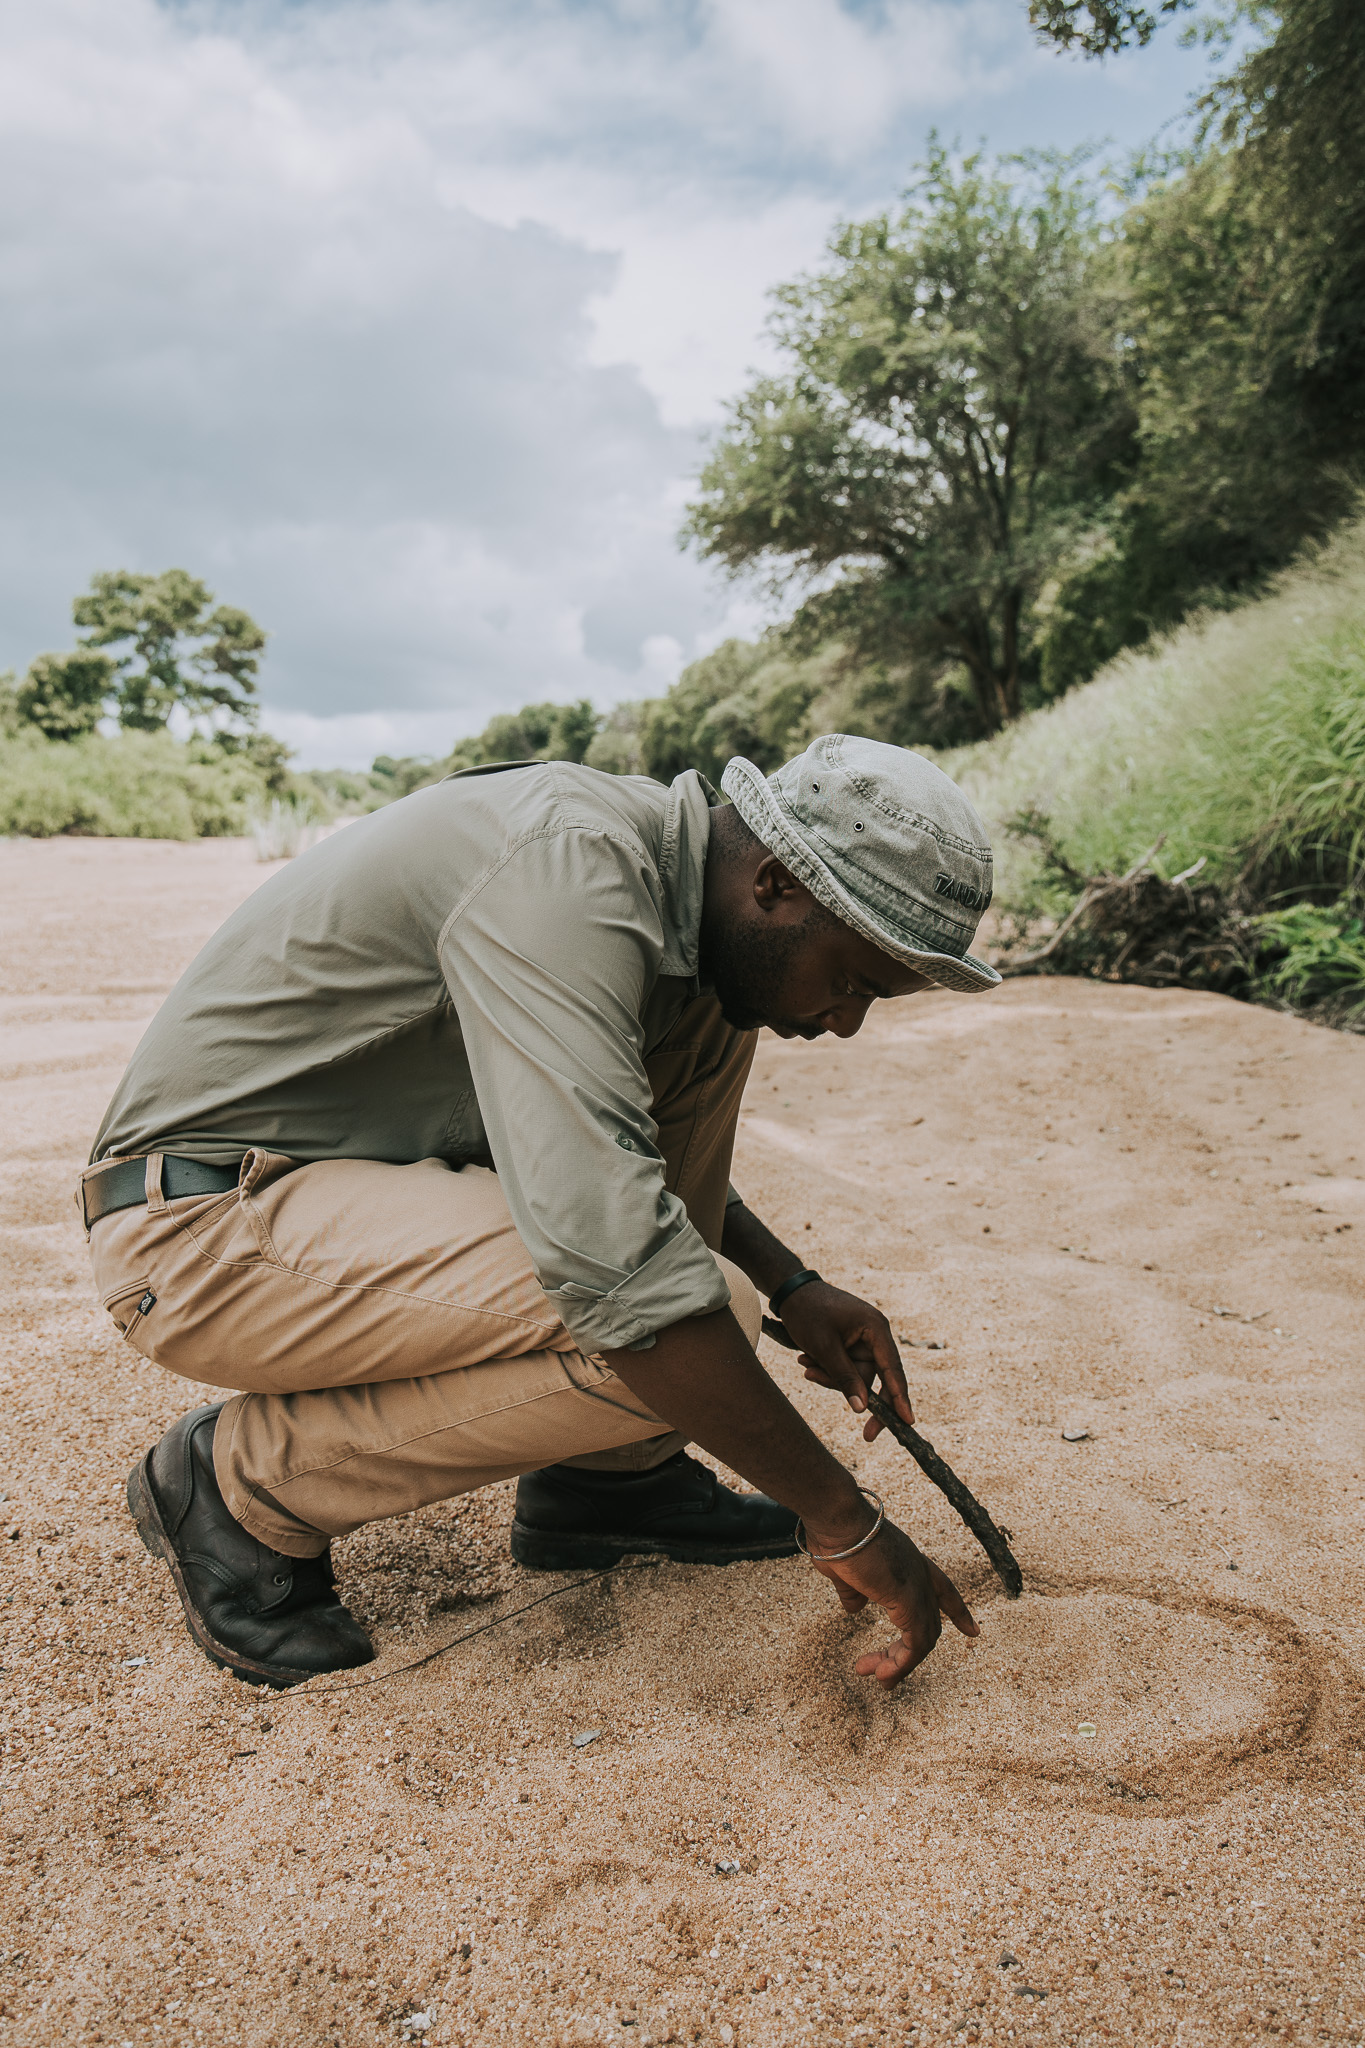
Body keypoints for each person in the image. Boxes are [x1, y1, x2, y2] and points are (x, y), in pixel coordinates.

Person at [79, 734, 999, 1692]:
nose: (845, 1023)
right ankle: (238, 1484)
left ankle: (615, 1478)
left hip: (348, 1191)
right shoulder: (568, 871)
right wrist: (843, 1518)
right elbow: (619, 1259)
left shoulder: (690, 908)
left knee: (722, 1027)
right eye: (850, 981)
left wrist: (793, 1284)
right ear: (774, 882)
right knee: (689, 1308)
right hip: (204, 1232)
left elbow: (612, 1152)